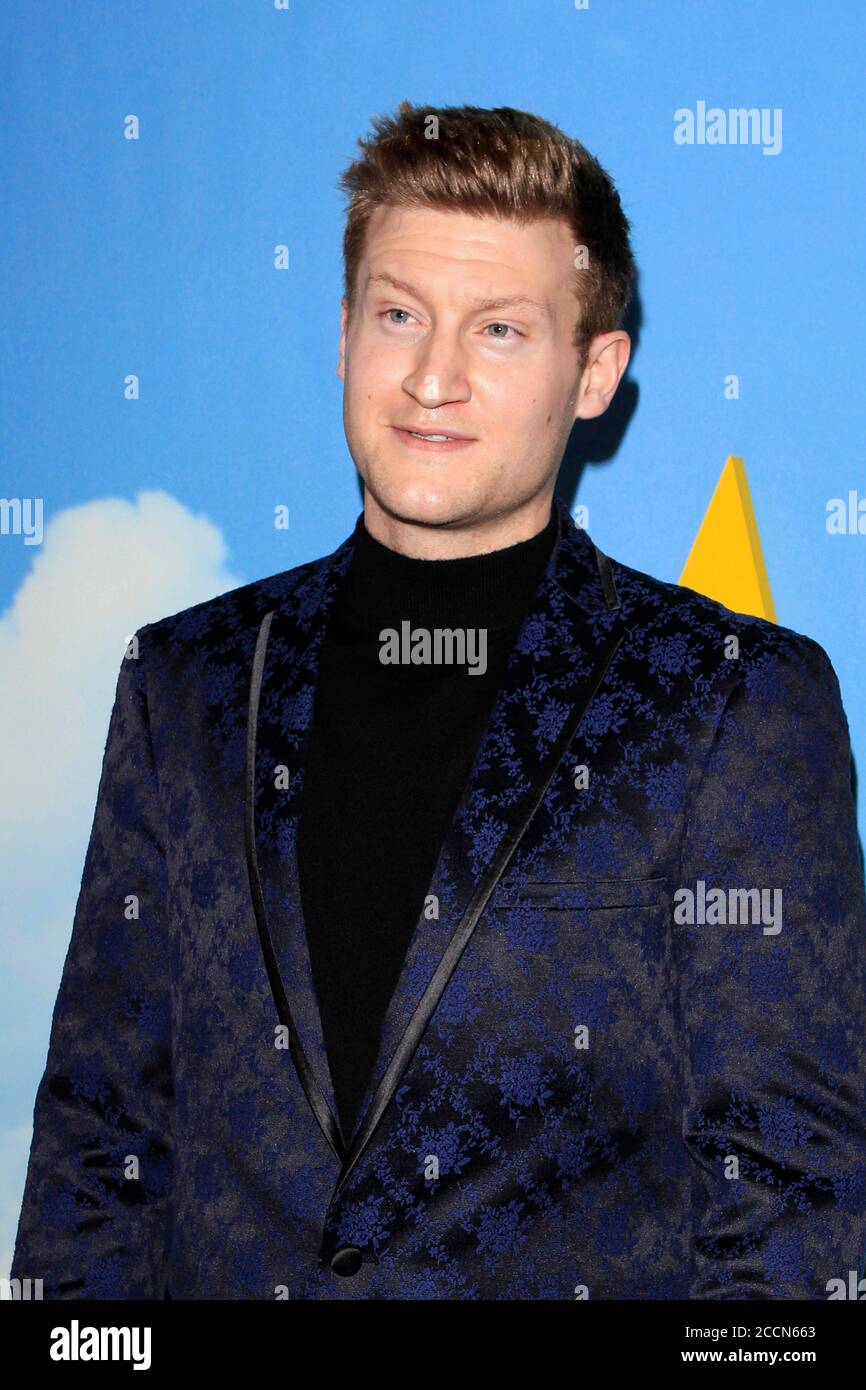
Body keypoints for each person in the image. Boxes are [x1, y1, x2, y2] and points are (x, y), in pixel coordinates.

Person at [11, 101, 866, 1300]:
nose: (431, 376)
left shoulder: (729, 702)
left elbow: (788, 1201)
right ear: (345, 331)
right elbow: (100, 1151)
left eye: (501, 330)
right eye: (398, 314)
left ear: (593, 373)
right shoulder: (188, 683)